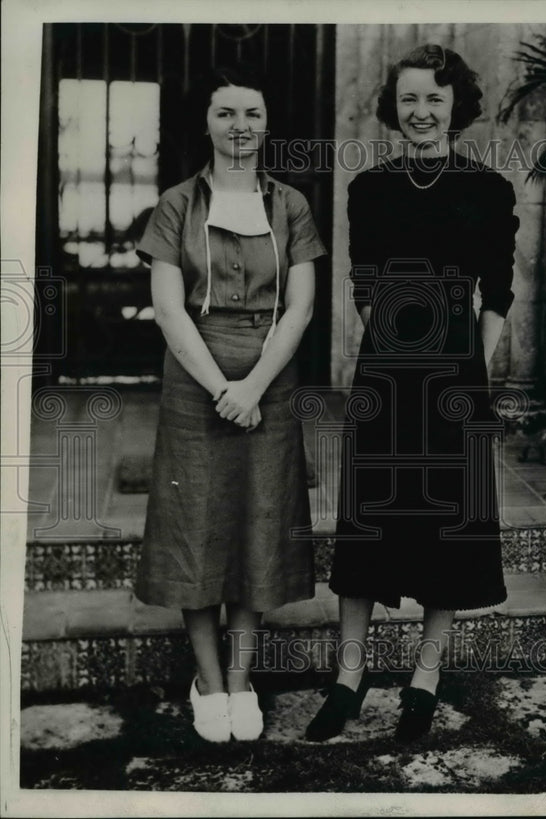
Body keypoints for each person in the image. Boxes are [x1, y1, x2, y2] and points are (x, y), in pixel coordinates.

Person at [306, 44, 519, 742]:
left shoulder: (488, 189)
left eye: (433, 98)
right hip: (388, 374)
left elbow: (499, 288)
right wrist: (398, 355)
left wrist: (470, 368)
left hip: (456, 378)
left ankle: (424, 680)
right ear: (393, 109)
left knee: (449, 529)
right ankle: (348, 677)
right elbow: (365, 285)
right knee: (368, 524)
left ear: (456, 103)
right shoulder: (369, 188)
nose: (421, 112)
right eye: (408, 100)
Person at [134, 63, 326, 743]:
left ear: (267, 123)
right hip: (195, 382)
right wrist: (221, 387)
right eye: (226, 113)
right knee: (196, 526)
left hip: (269, 380)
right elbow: (166, 307)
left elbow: (301, 307)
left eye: (252, 113)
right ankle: (208, 680)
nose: (240, 126)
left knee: (258, 528)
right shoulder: (176, 204)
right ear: (207, 123)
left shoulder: (291, 205)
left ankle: (243, 682)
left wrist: (252, 388)